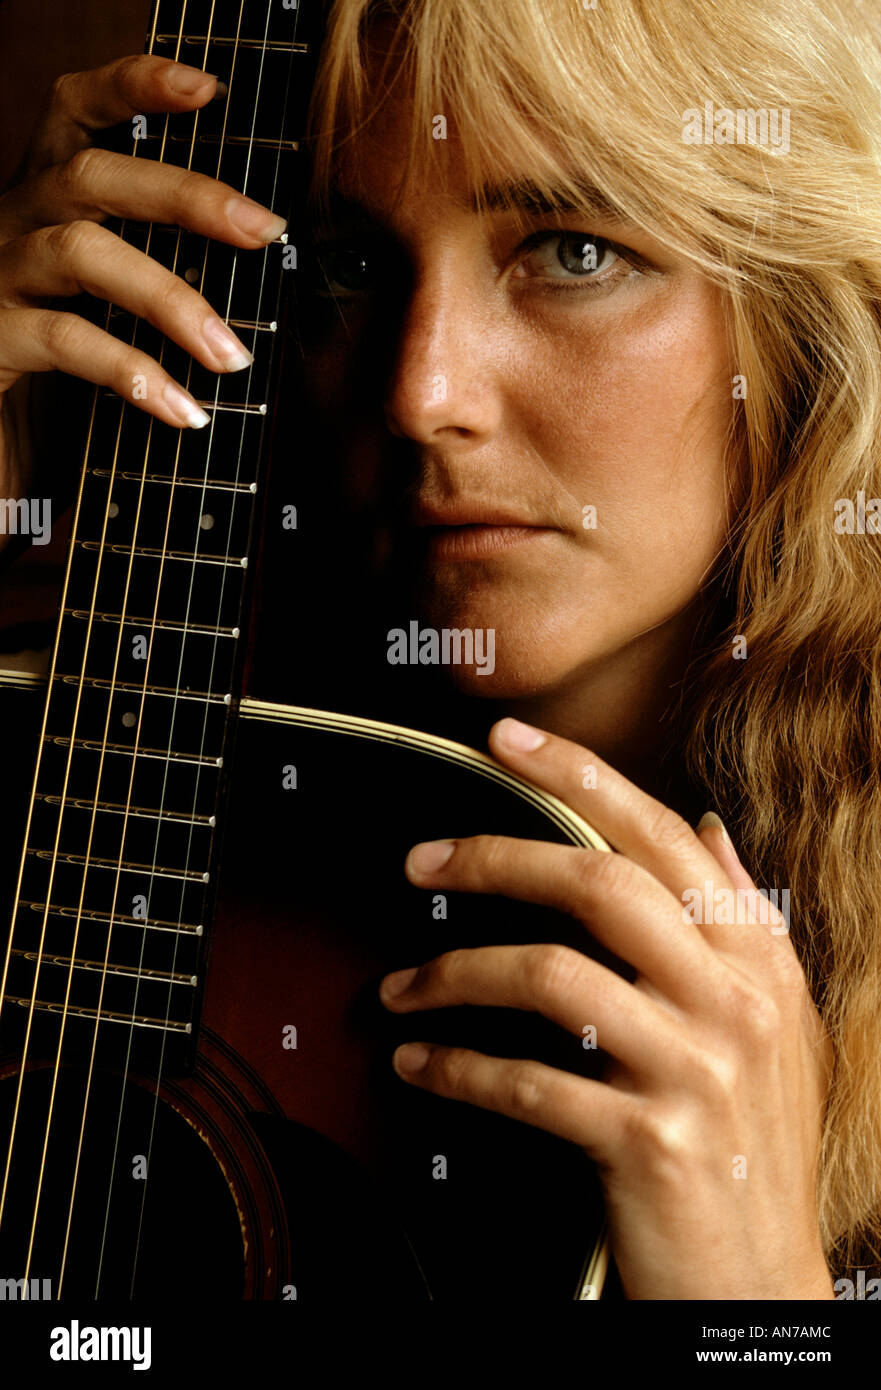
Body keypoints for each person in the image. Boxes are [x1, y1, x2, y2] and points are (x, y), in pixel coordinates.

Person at [1, 0, 880, 1299]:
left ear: (799, 317)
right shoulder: (110, 769)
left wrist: (755, 1301)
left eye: (571, 250)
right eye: (348, 263)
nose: (422, 393)